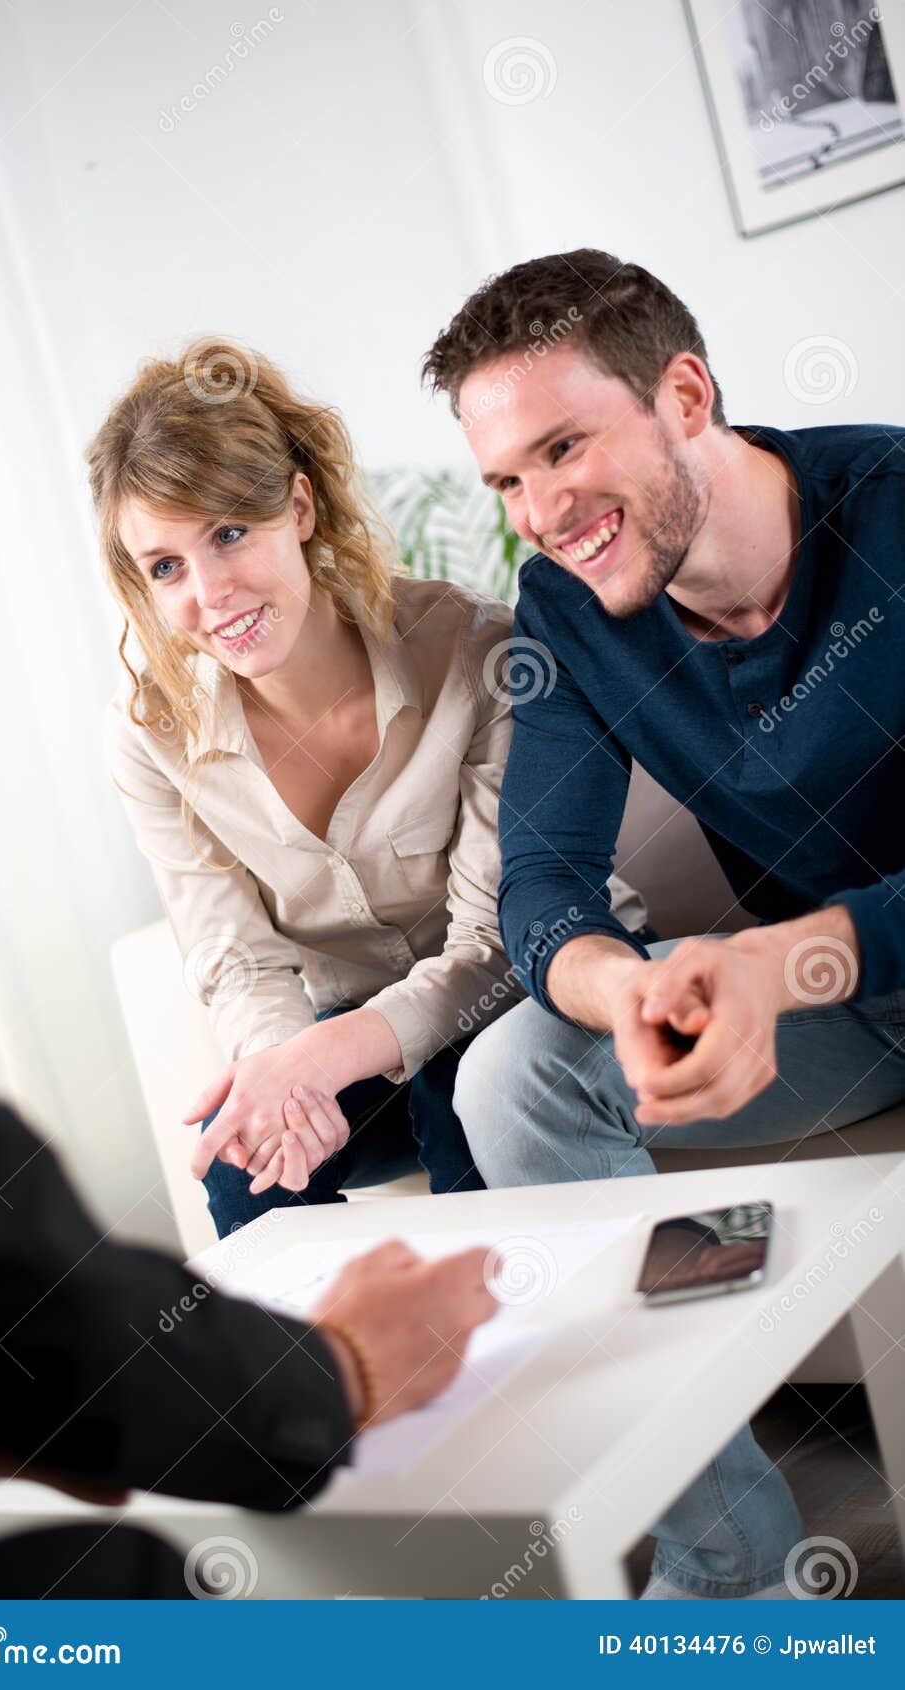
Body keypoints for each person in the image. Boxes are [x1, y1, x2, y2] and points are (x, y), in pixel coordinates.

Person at [415, 247, 905, 1598]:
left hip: (824, 966)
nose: (543, 511)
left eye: (566, 446)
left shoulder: (895, 506)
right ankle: (737, 1573)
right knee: (516, 1074)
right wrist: (614, 988)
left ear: (686, 395)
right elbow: (542, 879)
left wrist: (777, 956)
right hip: (832, 1005)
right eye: (508, 479)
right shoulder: (575, 609)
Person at [0, 761, 499, 1597]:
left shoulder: (469, 655)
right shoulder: (156, 739)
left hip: (453, 1020)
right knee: (140, 1590)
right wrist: (337, 1370)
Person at [87, 338, 650, 1237]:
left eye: (230, 533)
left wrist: (323, 1057)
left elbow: (496, 941)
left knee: (455, 1086)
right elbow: (237, 958)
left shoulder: (476, 653)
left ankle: (523, 1357)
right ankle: (312, 1378)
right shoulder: (151, 735)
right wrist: (282, 1073)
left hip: (519, 990)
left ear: (300, 506)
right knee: (244, 1163)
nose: (211, 591)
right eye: (166, 567)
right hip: (345, 1030)